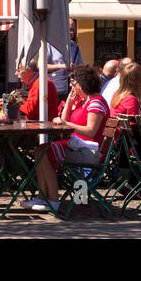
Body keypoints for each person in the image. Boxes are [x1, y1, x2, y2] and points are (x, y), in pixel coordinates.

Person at [27, 65, 110, 212]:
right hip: (77, 145)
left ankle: (53, 199)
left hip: (90, 151)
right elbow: (62, 122)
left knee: (46, 152)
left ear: (82, 84)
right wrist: (69, 102)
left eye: (74, 83)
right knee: (40, 150)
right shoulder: (82, 101)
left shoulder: (96, 102)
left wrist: (67, 123)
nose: (72, 86)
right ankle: (42, 197)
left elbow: (91, 132)